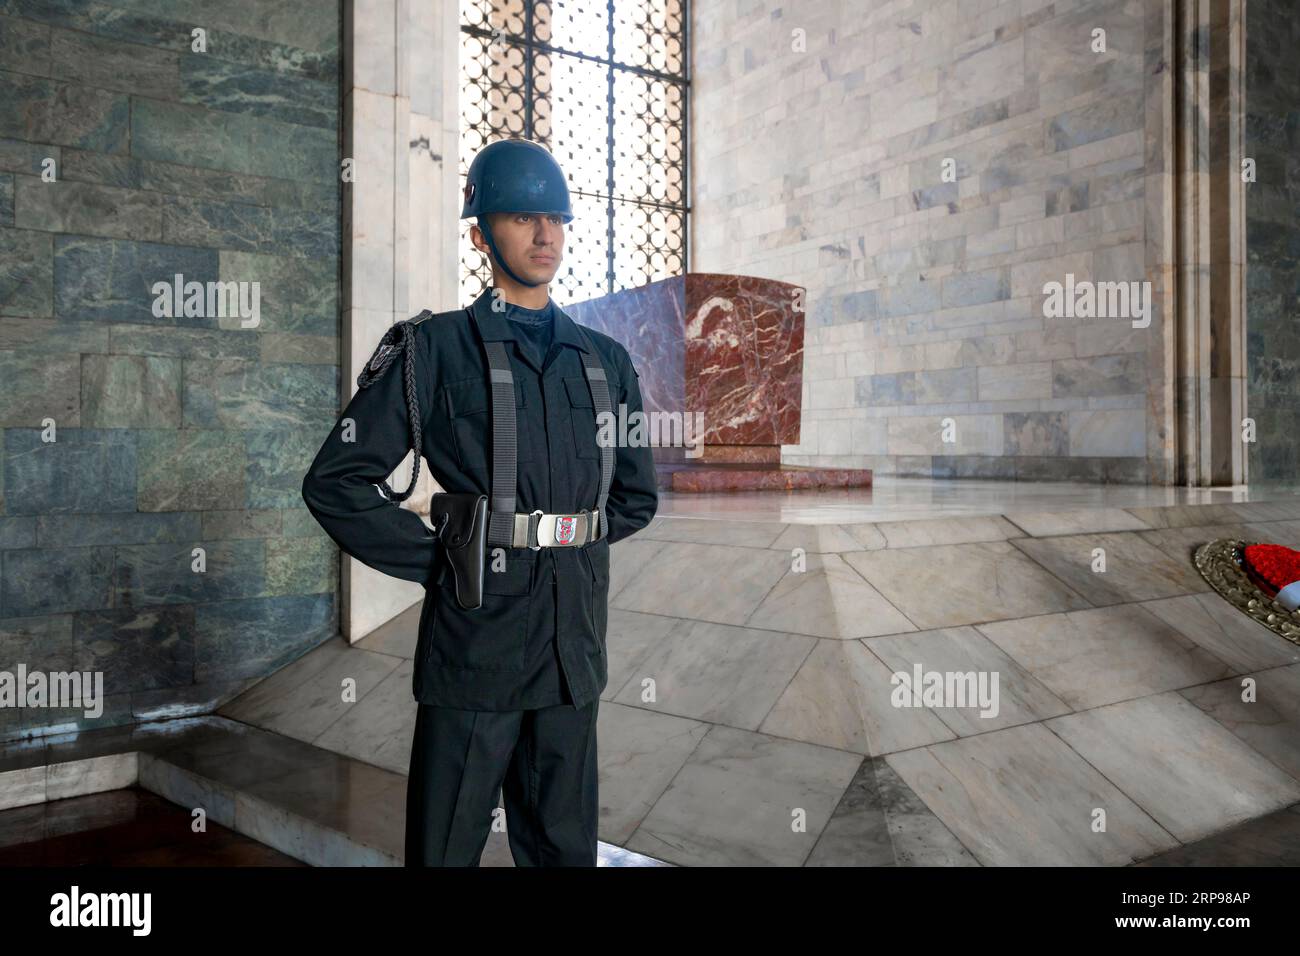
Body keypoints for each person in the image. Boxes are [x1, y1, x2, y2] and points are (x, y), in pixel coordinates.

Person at [300, 138, 659, 866]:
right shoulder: (432, 350)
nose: (545, 235)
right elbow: (335, 481)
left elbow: (633, 498)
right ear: (479, 233)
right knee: (446, 848)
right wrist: (442, 561)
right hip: (475, 649)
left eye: (556, 218)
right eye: (524, 217)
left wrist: (558, 544)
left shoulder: (607, 362)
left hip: (571, 652)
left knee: (563, 850)